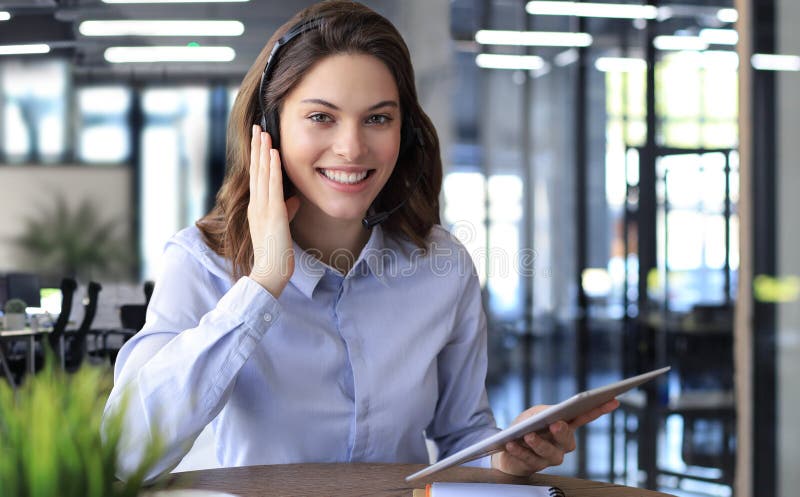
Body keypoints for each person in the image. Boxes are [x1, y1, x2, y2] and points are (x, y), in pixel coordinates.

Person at [103, 0, 618, 481]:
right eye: (321, 117)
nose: (351, 148)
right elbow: (123, 453)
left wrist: (506, 454)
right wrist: (262, 285)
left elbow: (462, 434)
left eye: (378, 118)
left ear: (405, 133)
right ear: (269, 129)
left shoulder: (442, 263)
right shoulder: (202, 263)